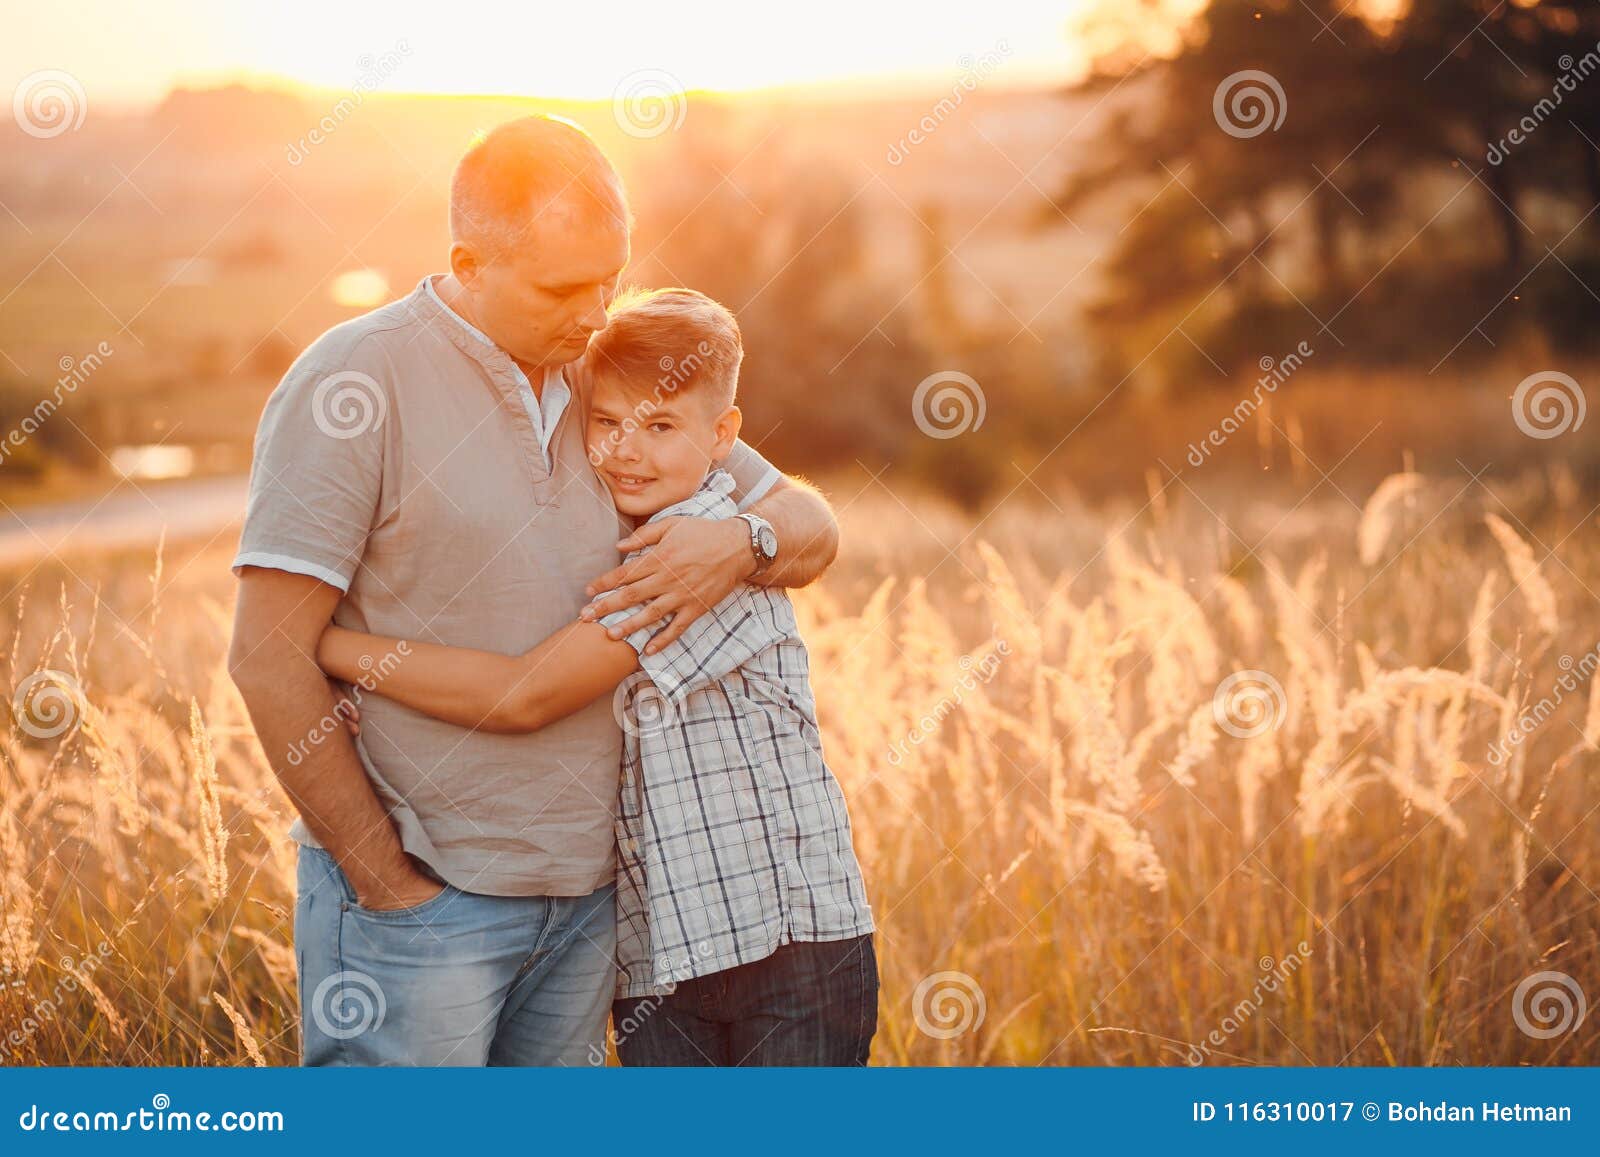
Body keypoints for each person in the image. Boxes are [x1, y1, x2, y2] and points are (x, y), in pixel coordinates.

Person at [227, 117, 840, 1066]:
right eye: (565, 287)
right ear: (470, 261)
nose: (597, 311)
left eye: (611, 277)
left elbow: (808, 522)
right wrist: (385, 882)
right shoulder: (354, 381)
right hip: (426, 905)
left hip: (594, 913)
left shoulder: (609, 376)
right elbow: (266, 655)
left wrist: (739, 544)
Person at [317, 288, 877, 1065]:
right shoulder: (623, 522)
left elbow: (525, 693)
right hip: (663, 954)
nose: (625, 451)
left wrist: (335, 650)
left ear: (723, 437)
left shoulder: (693, 553)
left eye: (658, 427)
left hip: (785, 943)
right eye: (606, 423)